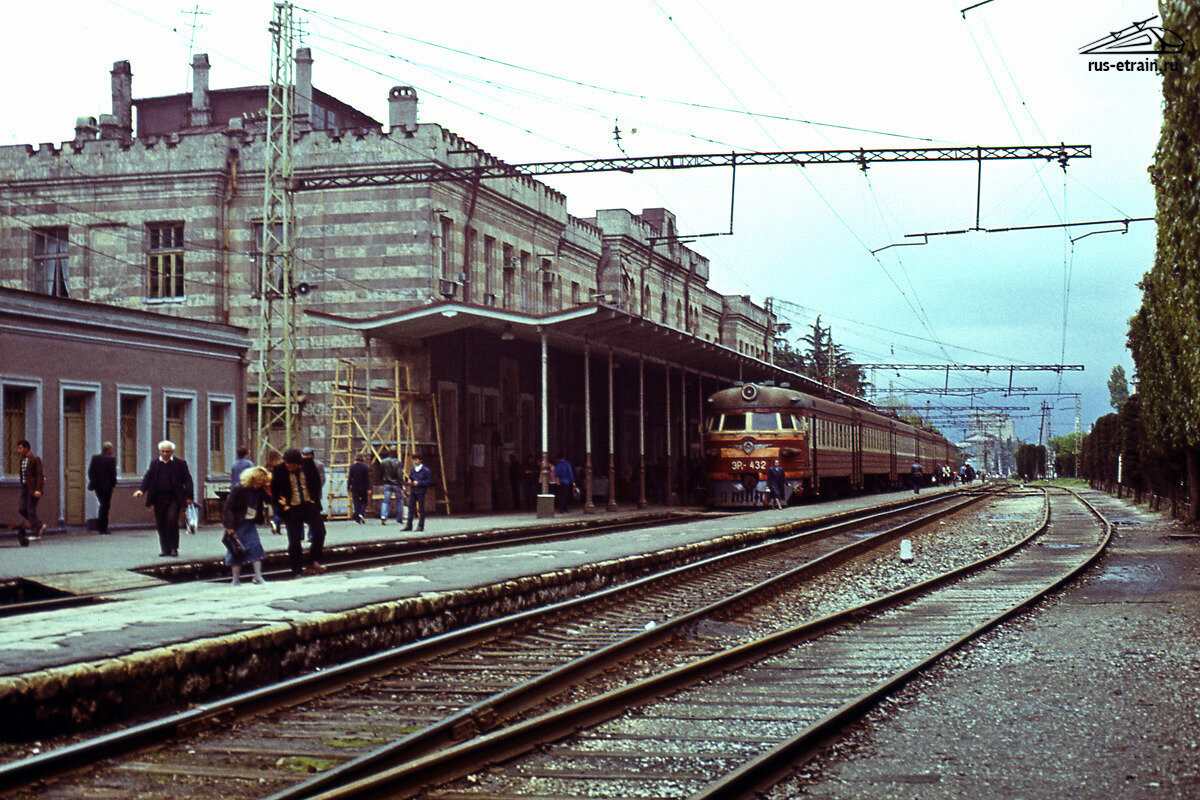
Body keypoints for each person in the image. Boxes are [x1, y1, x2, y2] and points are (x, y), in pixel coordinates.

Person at [270, 448, 327, 576]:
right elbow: (275, 491)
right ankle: (297, 570)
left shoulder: (309, 465)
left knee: (320, 532)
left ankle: (312, 561)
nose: (289, 468)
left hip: (309, 506)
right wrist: (283, 506)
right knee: (295, 540)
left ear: (299, 463)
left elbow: (316, 483)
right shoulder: (279, 470)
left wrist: (314, 500)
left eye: (292, 466)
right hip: (292, 510)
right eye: (287, 465)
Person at [133, 441, 195, 557]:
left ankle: (174, 548)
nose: (165, 454)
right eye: (163, 451)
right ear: (160, 451)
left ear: (172, 452)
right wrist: (141, 490)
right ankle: (165, 549)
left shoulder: (180, 463)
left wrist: (189, 497)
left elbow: (188, 479)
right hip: (159, 498)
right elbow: (148, 477)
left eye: (168, 451)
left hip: (174, 498)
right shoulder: (155, 464)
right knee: (161, 523)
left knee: (172, 521)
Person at [221, 465, 270, 585]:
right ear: (252, 479)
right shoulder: (239, 489)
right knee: (236, 550)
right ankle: (235, 579)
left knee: (255, 547)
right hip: (237, 524)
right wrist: (230, 526)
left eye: (262, 483)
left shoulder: (258, 489)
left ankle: (258, 576)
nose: (259, 485)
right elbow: (228, 508)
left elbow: (268, 499)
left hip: (249, 522)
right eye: (258, 482)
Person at [14, 440, 44, 547]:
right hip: (24, 488)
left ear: (26, 448)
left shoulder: (35, 459)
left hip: (33, 489)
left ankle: (36, 531)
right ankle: (38, 524)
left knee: (31, 509)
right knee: (22, 509)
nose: (19, 450)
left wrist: (38, 490)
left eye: (20, 448)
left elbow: (39, 475)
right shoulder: (22, 460)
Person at [87, 442, 118, 534]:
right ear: (109, 450)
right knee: (105, 507)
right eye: (112, 449)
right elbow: (113, 473)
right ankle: (103, 528)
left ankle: (100, 526)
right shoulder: (111, 459)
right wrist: (113, 484)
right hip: (107, 487)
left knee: (102, 505)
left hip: (97, 486)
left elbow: (90, 471)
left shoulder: (95, 458)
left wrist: (94, 481)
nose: (112, 451)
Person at [300, 446, 326, 541]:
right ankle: (310, 535)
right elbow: (322, 480)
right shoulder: (319, 465)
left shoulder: (299, 465)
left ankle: (301, 535)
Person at [404, 454, 433, 531]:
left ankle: (420, 526)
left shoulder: (426, 470)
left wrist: (419, 483)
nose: (415, 461)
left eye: (416, 460)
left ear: (420, 460)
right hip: (413, 491)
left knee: (421, 509)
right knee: (411, 508)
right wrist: (409, 481)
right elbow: (411, 478)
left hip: (421, 491)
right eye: (414, 460)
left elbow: (429, 481)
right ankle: (409, 525)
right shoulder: (413, 469)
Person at [379, 448, 404, 525]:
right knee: (399, 501)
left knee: (386, 501)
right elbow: (400, 475)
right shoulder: (398, 462)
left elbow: (380, 473)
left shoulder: (383, 462)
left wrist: (382, 481)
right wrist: (401, 484)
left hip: (386, 483)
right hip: (396, 484)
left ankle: (383, 516)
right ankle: (399, 519)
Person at [348, 454, 371, 524]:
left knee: (356, 502)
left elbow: (349, 477)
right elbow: (367, 478)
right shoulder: (365, 467)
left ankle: (357, 518)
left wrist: (349, 486)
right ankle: (362, 513)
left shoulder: (352, 467)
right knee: (364, 501)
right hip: (363, 487)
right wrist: (369, 488)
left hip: (355, 486)